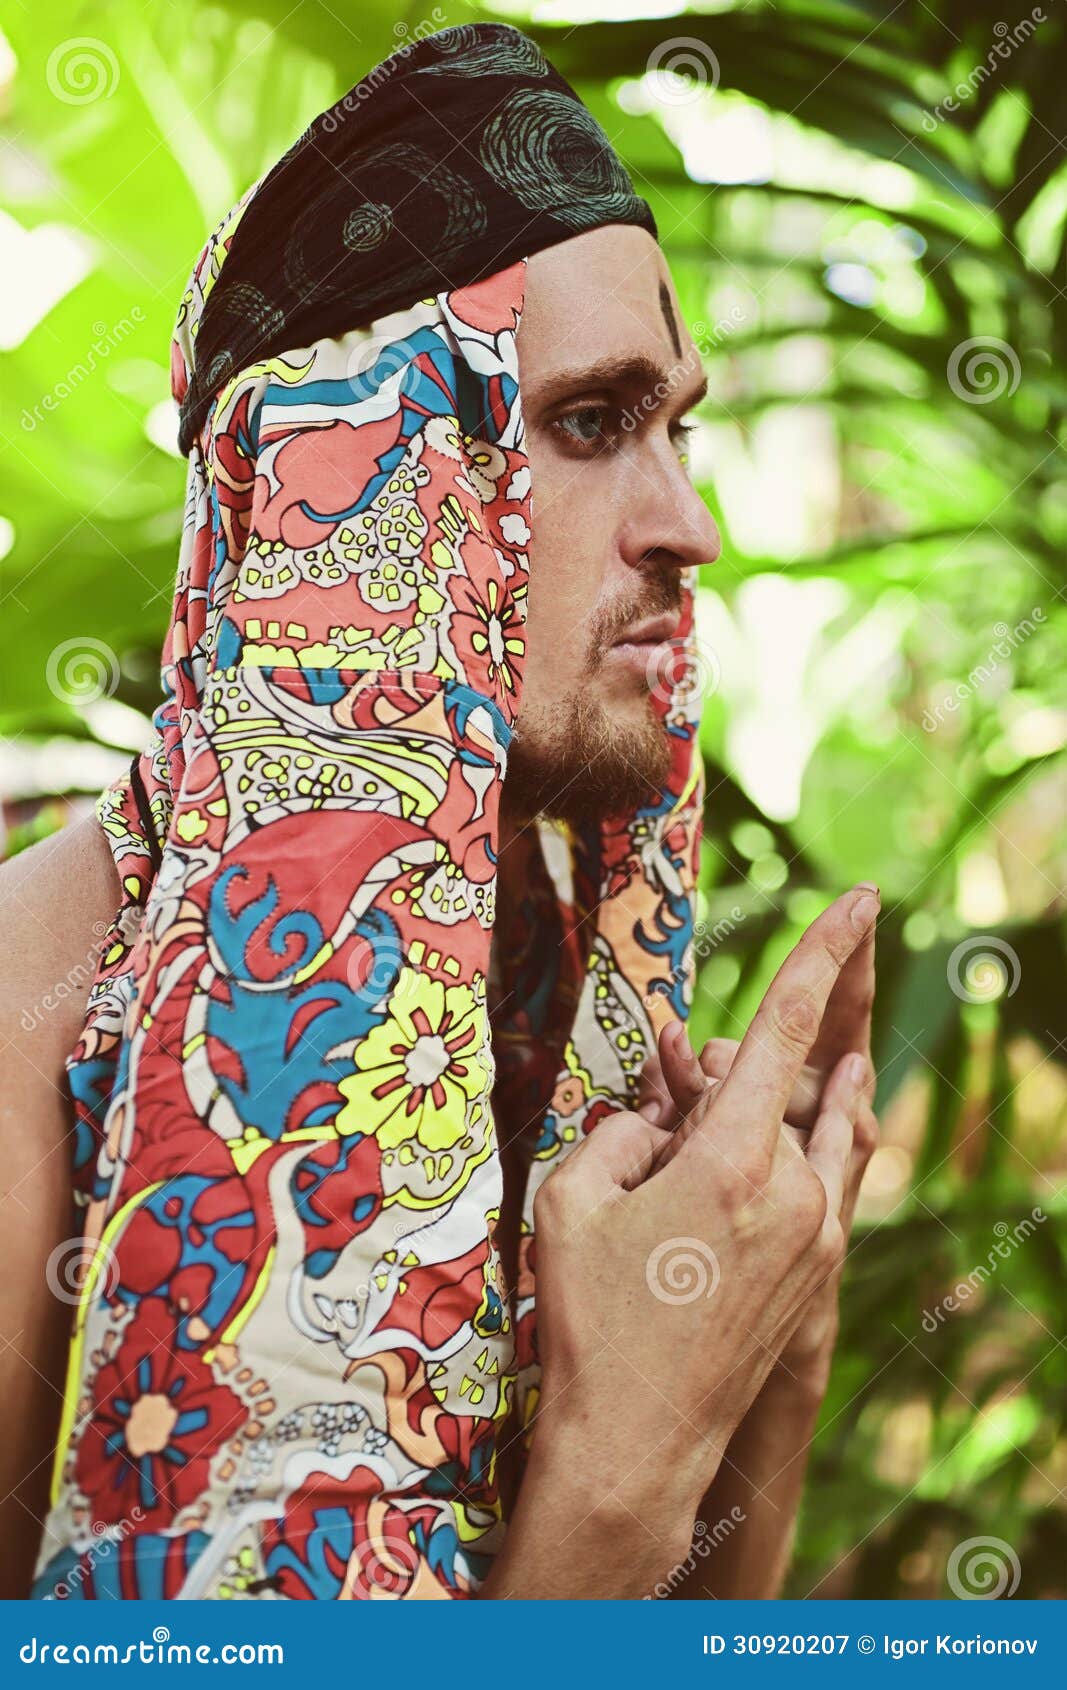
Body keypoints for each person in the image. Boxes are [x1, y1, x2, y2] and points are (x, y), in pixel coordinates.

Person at [0, 21, 879, 1600]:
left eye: (678, 427)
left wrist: (775, 1362)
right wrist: (617, 1471)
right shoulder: (21, 1029)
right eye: (591, 424)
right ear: (362, 475)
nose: (691, 525)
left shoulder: (554, 1011)